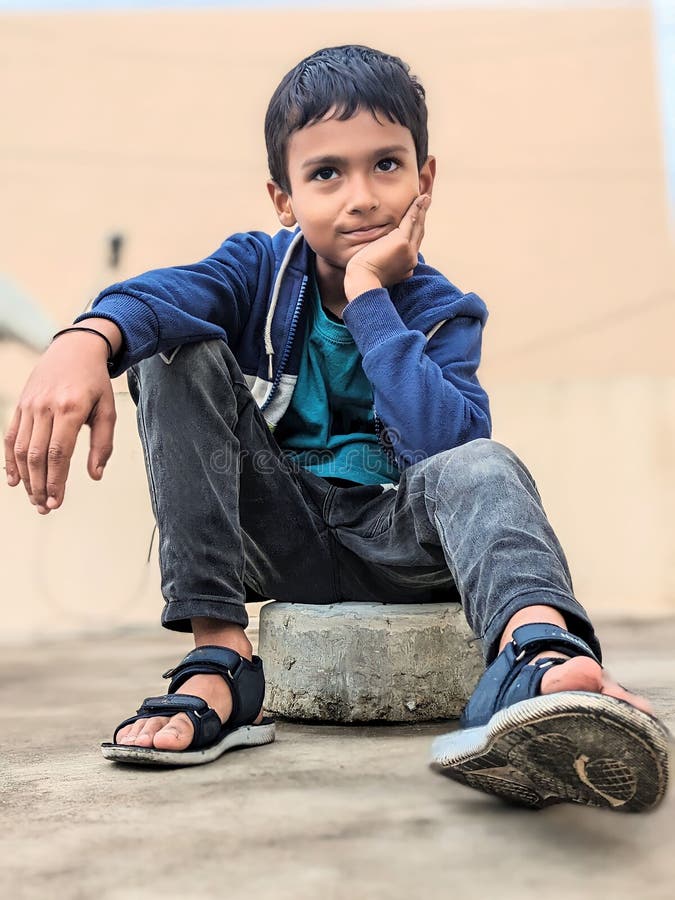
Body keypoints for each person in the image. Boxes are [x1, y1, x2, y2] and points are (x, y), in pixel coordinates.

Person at [4, 45, 669, 810]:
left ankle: (539, 659)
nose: (360, 197)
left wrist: (368, 298)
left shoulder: (443, 309)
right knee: (171, 348)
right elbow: (162, 293)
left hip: (398, 546)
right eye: (325, 174)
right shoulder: (256, 270)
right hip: (275, 535)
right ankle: (219, 663)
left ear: (424, 178)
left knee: (485, 461)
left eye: (386, 165)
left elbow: (443, 449)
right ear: (282, 196)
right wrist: (84, 339)